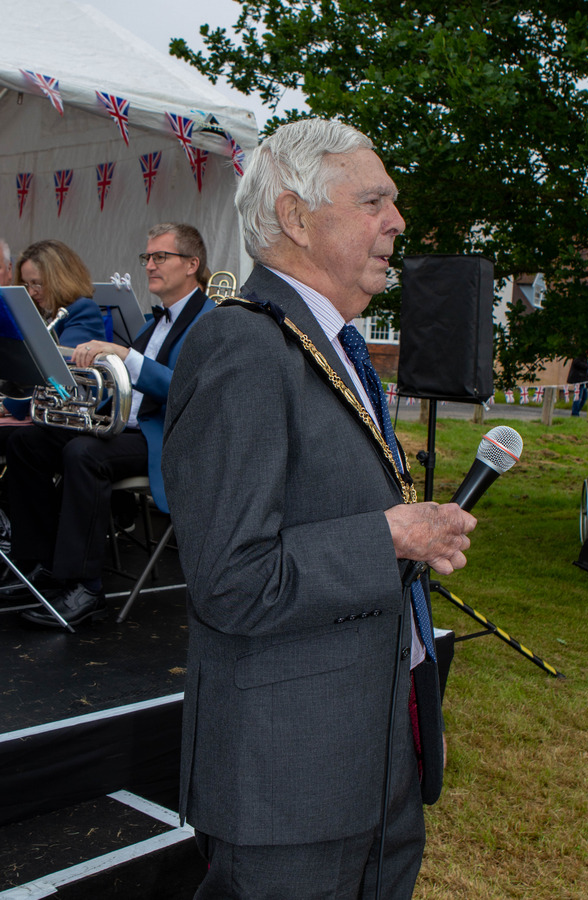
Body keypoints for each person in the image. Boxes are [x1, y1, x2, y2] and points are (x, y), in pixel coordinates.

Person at [162, 119, 477, 899]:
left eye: (393, 202)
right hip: (290, 779)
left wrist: (402, 532)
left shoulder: (329, 341)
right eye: (372, 200)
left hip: (375, 754)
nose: (396, 222)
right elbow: (231, 579)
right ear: (297, 218)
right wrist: (388, 537)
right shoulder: (243, 345)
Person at [4, 223, 215, 626]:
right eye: (147, 257)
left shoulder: (211, 320)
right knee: (26, 444)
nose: (149, 265)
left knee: (83, 453)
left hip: (165, 438)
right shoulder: (152, 325)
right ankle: (39, 563)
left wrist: (123, 354)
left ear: (192, 264)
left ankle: (85, 587)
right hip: (123, 426)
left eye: (160, 257)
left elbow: (186, 390)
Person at [1, 239, 106, 427]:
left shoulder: (83, 309)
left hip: (71, 418)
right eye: (26, 285)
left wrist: (8, 406)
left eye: (37, 284)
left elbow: (58, 369)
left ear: (60, 279)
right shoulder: (44, 312)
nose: (31, 293)